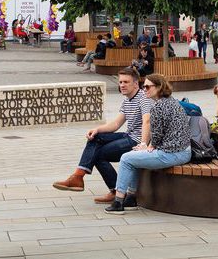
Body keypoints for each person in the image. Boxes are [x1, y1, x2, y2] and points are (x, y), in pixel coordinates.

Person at [53, 68, 152, 203]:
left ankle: (110, 189)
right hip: (128, 136)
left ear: (136, 84)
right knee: (96, 137)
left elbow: (147, 121)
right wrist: (97, 129)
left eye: (126, 82)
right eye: (120, 82)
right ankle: (79, 177)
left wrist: (143, 144)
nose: (122, 85)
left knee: (98, 155)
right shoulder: (127, 100)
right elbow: (116, 123)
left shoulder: (143, 98)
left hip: (136, 141)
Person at [105, 73, 191, 214]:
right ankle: (131, 198)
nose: (144, 90)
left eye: (147, 87)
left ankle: (118, 202)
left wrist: (149, 146)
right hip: (182, 151)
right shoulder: (171, 101)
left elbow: (156, 135)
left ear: (159, 87)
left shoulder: (158, 107)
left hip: (173, 154)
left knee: (126, 158)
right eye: (143, 86)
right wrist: (147, 147)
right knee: (134, 156)